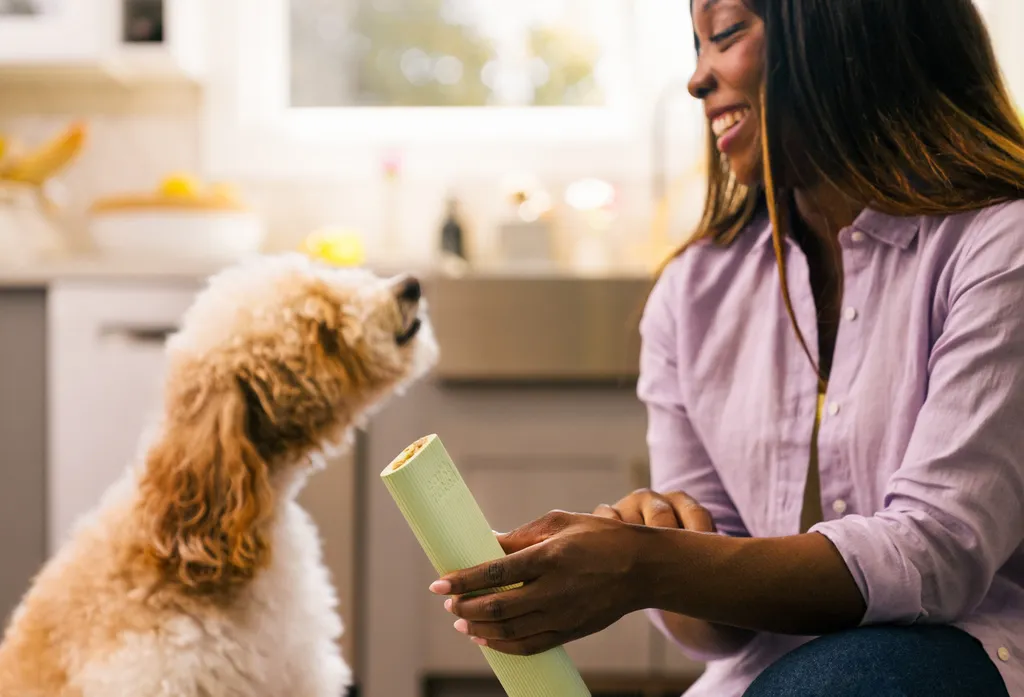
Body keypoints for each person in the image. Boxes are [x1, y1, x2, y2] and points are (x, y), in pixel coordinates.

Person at [429, 0, 1024, 695]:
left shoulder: (1002, 247)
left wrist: (647, 565)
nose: (697, 79)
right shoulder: (692, 294)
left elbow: (937, 554)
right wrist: (661, 547)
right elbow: (715, 633)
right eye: (696, 46)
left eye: (727, 34)